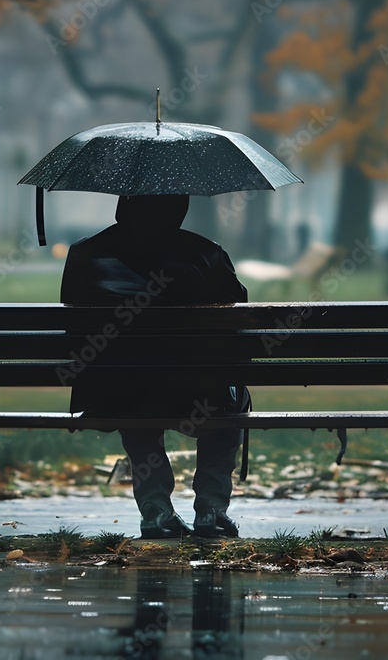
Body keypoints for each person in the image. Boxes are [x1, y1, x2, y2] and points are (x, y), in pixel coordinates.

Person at [60, 194, 248, 539]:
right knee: (232, 400)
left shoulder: (86, 253)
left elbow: (72, 330)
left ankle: (156, 509)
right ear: (180, 205)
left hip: (117, 394)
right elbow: (239, 324)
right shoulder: (206, 253)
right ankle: (211, 507)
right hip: (198, 394)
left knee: (130, 388)